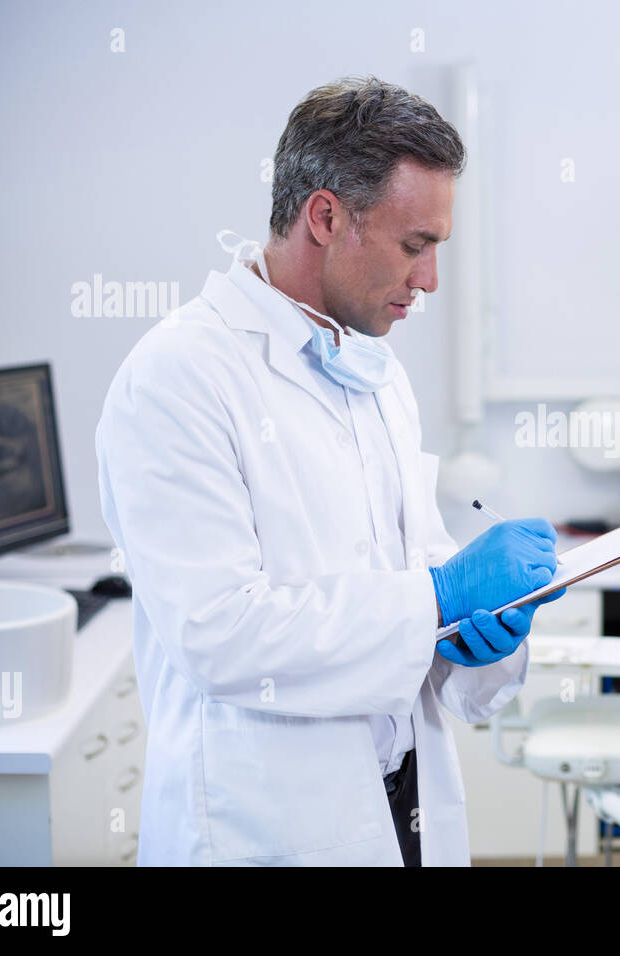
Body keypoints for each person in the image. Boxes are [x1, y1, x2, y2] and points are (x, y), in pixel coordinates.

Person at [96, 77, 562, 866]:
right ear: (326, 216)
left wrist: (475, 629)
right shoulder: (180, 376)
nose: (430, 281)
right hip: (270, 825)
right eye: (416, 245)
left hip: (400, 801)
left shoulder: (372, 370)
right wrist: (437, 600)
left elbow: (407, 573)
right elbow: (222, 634)